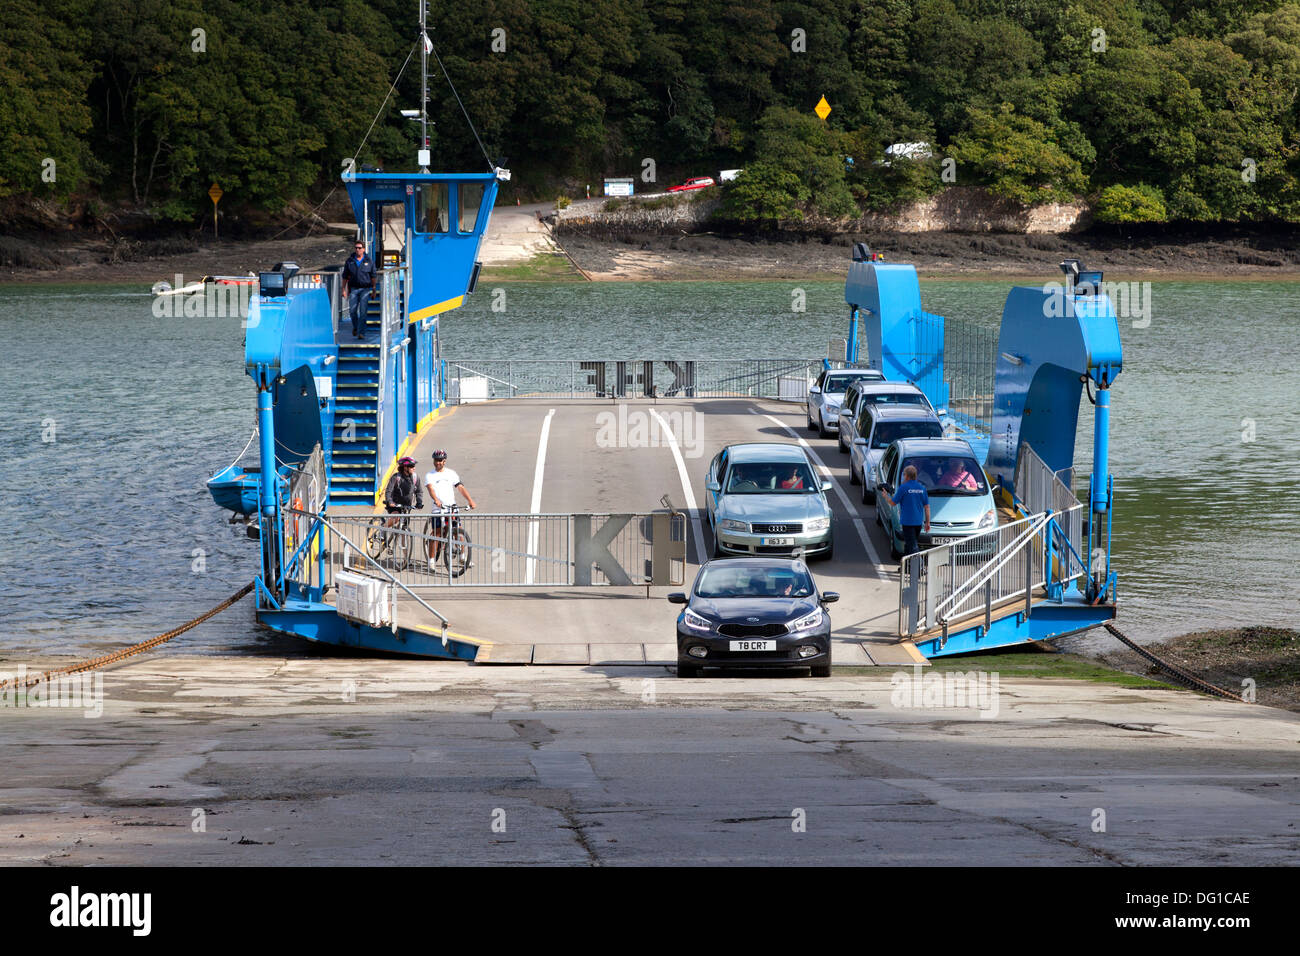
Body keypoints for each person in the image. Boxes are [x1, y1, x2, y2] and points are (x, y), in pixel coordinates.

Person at [425, 449, 477, 569]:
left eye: (440, 461)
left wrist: (470, 500)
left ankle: (463, 558)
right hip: (438, 509)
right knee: (437, 534)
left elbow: (460, 487)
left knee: (458, 532)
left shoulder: (451, 473)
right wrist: (436, 500)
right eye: (436, 460)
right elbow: (430, 489)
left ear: (444, 461)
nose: (438, 463)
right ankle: (432, 560)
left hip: (451, 507)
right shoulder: (430, 475)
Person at [885, 464, 930, 560]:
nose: (903, 476)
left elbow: (893, 503)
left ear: (907, 476)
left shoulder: (903, 488)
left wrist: (885, 496)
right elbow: (927, 507)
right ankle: (906, 566)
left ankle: (920, 566)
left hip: (907, 522)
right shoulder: (922, 488)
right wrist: (928, 522)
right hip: (918, 522)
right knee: (909, 544)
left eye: (904, 474)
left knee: (913, 546)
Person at [341, 241, 376, 339]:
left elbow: (373, 276)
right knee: (352, 311)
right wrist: (343, 289)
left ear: (364, 249)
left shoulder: (369, 261)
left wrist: (373, 289)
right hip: (353, 289)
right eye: (356, 247)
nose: (357, 249)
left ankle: (362, 333)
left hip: (365, 289)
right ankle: (356, 327)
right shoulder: (350, 261)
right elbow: (345, 276)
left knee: (363, 311)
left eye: (360, 248)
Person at [381, 457, 422, 525]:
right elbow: (388, 491)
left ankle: (400, 534)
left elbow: (419, 491)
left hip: (406, 507)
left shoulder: (415, 477)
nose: (414, 468)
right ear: (405, 467)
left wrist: (419, 502)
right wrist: (390, 501)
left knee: (404, 527)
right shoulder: (396, 477)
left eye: (414, 466)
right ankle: (381, 531)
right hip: (394, 506)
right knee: (396, 517)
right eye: (412, 466)